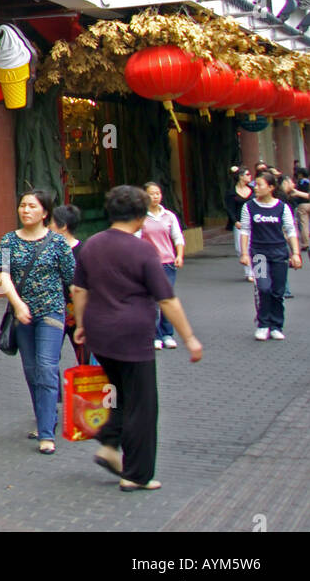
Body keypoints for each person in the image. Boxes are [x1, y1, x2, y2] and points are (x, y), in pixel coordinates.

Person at [72, 185, 203, 491]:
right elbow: (167, 300)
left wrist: (80, 324)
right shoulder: (144, 250)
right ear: (141, 217)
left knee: (118, 392)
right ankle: (136, 474)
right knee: (142, 405)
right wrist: (189, 337)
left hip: (100, 334)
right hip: (133, 336)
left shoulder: (92, 245)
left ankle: (108, 443)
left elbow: (79, 290)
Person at [0, 189, 74, 456]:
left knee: (45, 366)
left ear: (45, 213)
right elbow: (4, 277)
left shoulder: (58, 243)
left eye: (32, 206)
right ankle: (46, 415)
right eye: (22, 205)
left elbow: (72, 280)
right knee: (31, 370)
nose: (25, 210)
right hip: (22, 315)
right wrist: (18, 305)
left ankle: (46, 433)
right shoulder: (8, 241)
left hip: (52, 312)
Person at [237, 169, 303, 340]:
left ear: (271, 187)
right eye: (255, 185)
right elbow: (245, 231)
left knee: (278, 291)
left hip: (279, 253)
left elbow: (290, 231)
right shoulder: (249, 207)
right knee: (264, 287)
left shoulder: (282, 207)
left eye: (259, 185)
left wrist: (295, 253)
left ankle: (276, 325)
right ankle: (263, 324)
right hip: (259, 253)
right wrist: (244, 253)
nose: (255, 188)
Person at [141, 182, 185, 351]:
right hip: (150, 264)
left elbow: (178, 237)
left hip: (168, 262)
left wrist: (179, 255)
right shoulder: (141, 217)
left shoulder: (169, 216)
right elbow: (137, 240)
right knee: (153, 301)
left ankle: (167, 334)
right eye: (152, 194)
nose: (156, 196)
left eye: (158, 193)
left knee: (166, 298)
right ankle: (155, 335)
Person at [52, 204, 86, 363]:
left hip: (77, 314)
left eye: (51, 222)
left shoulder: (85, 252)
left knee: (85, 358)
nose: (47, 227)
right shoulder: (47, 251)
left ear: (63, 226)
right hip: (52, 312)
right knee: (49, 360)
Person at [224, 166, 254, 280]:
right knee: (240, 247)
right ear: (241, 177)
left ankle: (254, 272)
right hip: (240, 223)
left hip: (253, 222)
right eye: (247, 174)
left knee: (254, 245)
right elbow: (229, 208)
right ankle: (248, 271)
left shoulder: (253, 190)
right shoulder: (231, 193)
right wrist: (235, 221)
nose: (250, 176)